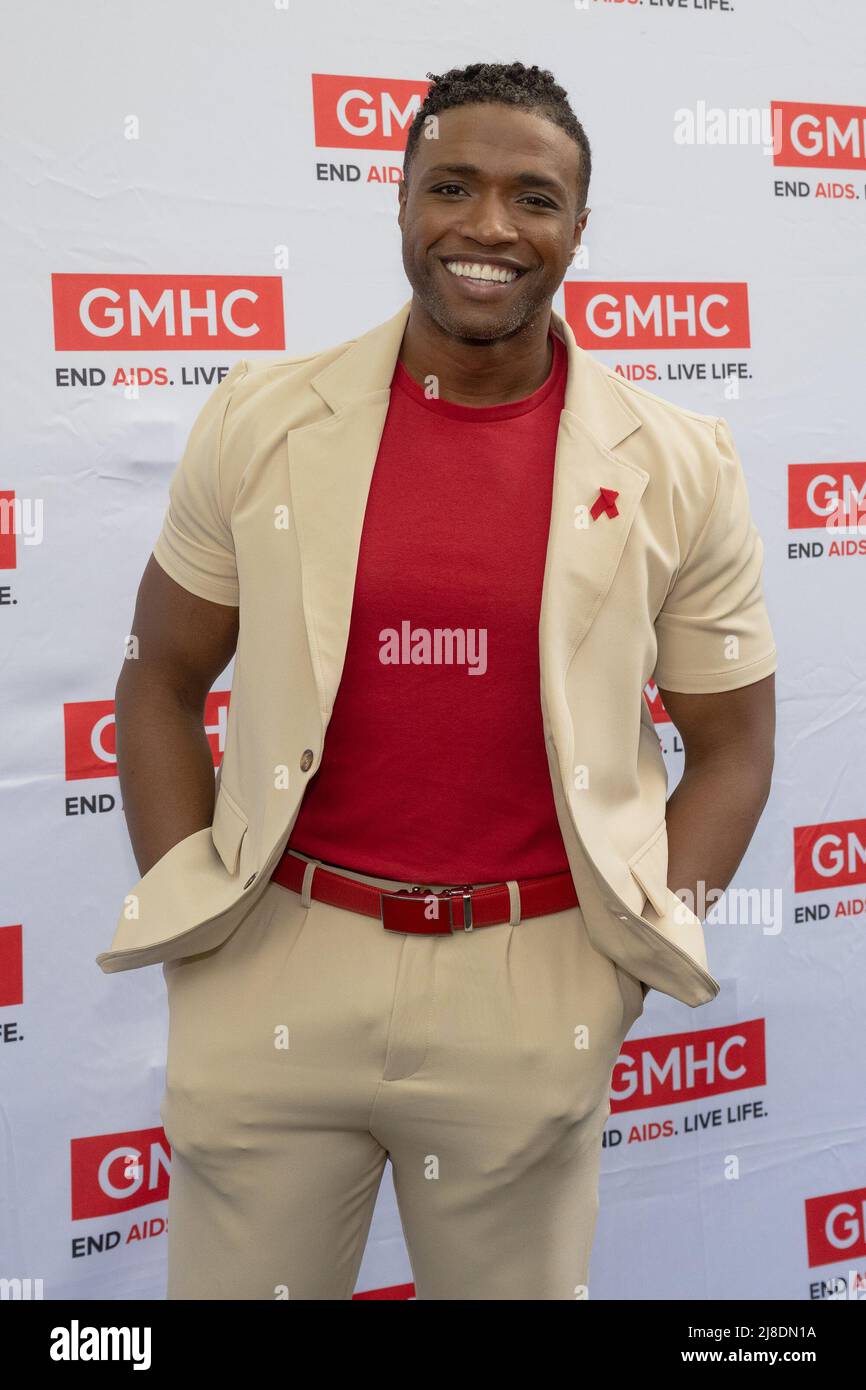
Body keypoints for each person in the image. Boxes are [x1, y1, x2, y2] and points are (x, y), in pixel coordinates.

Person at [99, 61, 777, 1300]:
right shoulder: (262, 417)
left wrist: (626, 955)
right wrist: (190, 908)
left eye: (533, 198)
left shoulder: (678, 463)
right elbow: (157, 674)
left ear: (577, 228)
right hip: (273, 962)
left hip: (531, 979)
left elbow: (729, 743)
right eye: (450, 186)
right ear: (401, 203)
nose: (486, 227)